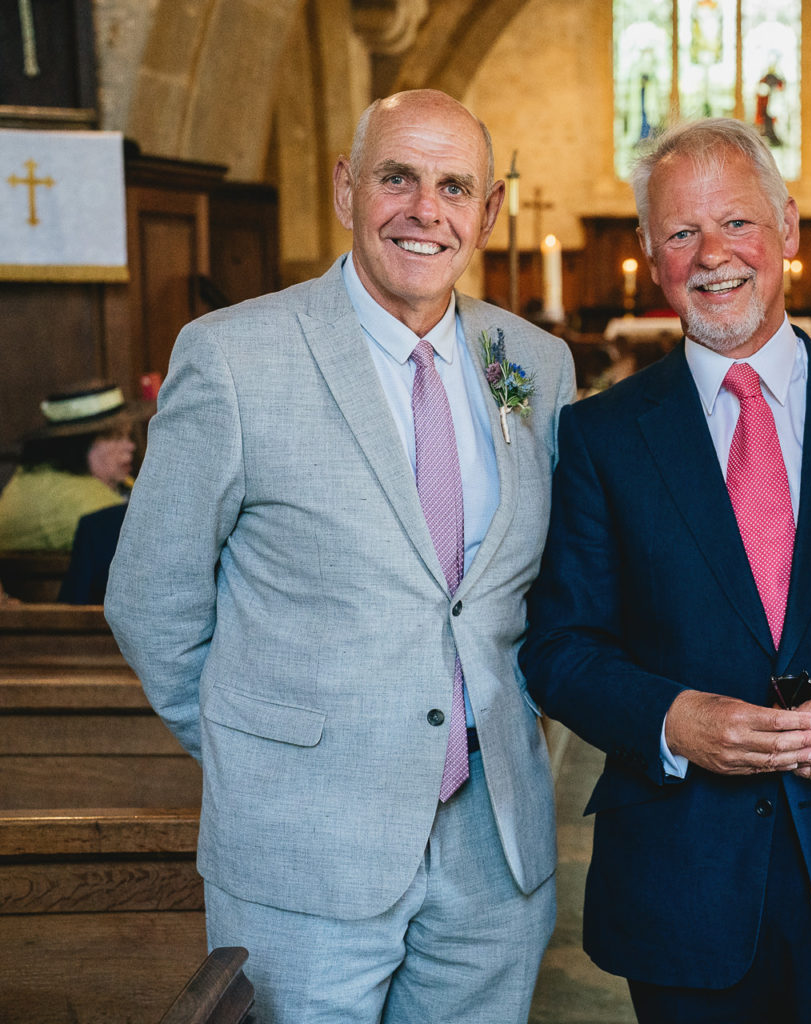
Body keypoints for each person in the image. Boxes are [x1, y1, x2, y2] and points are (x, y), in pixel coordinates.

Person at [105, 89, 574, 1024]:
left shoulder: (534, 363)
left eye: (454, 186)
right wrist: (263, 754)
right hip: (300, 840)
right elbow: (150, 597)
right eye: (397, 177)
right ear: (345, 188)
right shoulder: (235, 355)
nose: (423, 210)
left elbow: (534, 592)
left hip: (494, 848)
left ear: (486, 213)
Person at [519, 117, 811, 1023]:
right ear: (649, 253)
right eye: (682, 232)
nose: (712, 255)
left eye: (738, 224)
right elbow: (560, 645)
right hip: (682, 872)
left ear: (789, 230)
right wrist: (670, 719)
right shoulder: (603, 435)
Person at [0, 381, 140, 551]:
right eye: (116, 437)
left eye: (127, 435)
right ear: (79, 445)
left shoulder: (27, 477)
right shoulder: (90, 503)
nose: (130, 446)